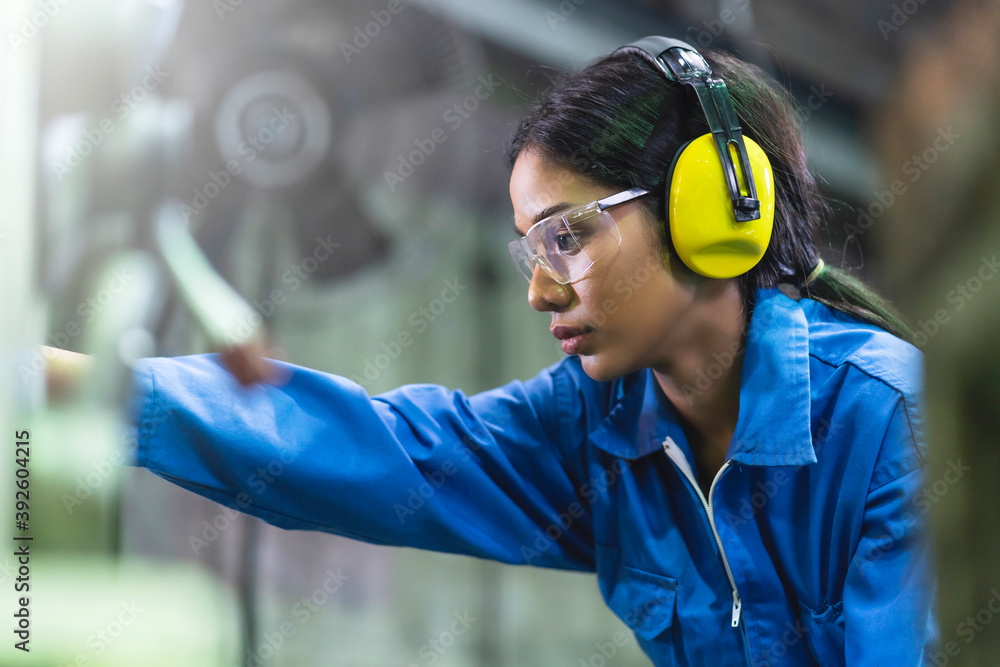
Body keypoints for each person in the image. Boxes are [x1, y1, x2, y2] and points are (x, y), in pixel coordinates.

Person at [76, 37, 935, 665]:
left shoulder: (889, 421)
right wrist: (83, 385)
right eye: (533, 249)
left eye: (567, 237)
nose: (538, 290)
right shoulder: (596, 422)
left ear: (713, 209)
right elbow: (384, 450)